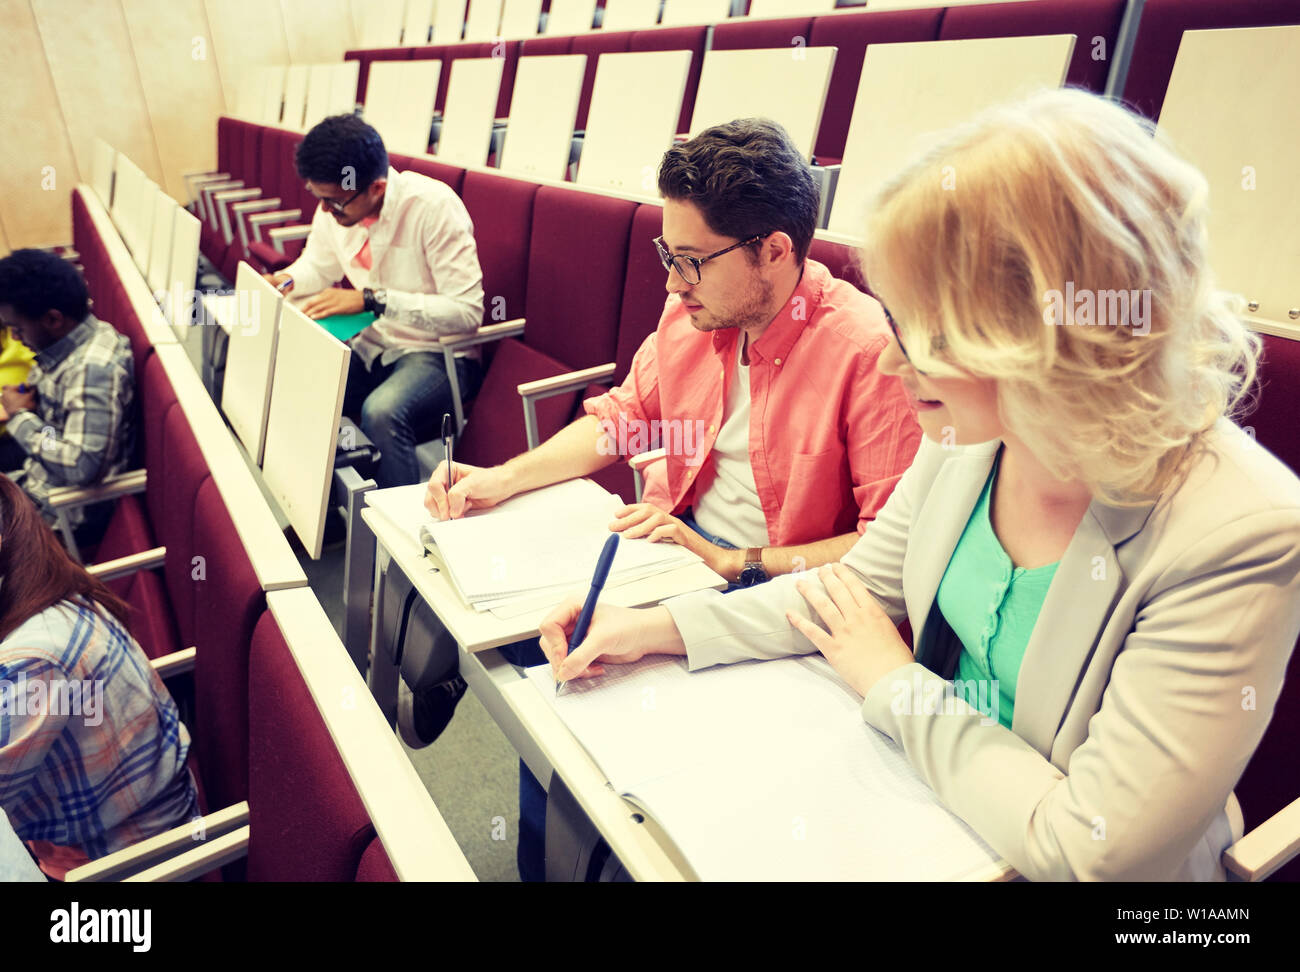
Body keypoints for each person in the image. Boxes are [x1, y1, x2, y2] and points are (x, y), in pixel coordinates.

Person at [538, 88, 1300, 881]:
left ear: (1045, 339)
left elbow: (1088, 851)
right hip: (930, 809)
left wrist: (896, 685)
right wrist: (653, 627)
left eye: (923, 334)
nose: (894, 363)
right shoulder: (976, 432)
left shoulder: (1243, 531)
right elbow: (848, 593)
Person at [422, 118, 922, 881]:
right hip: (674, 548)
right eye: (666, 256)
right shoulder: (694, 315)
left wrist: (735, 558)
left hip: (786, 593)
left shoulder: (863, 351)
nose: (669, 283)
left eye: (689, 262)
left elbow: (892, 548)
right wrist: (502, 477)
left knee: (650, 793)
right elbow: (622, 421)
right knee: (561, 687)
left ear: (775, 253)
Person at [267, 114, 485, 489]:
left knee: (382, 412)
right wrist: (287, 279)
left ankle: (399, 534)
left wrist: (374, 300)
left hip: (438, 354)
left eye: (334, 203)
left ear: (377, 188)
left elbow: (467, 313)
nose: (326, 212)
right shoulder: (338, 207)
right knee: (306, 382)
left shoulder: (433, 207)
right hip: (375, 343)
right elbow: (318, 265)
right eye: (319, 199)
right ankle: (329, 513)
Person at [0, 476, 198, 880]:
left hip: (120, 862)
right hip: (105, 837)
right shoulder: (42, 588)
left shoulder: (33, 657)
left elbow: (83, 465)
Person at [0, 249, 134, 548]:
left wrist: (20, 418)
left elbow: (81, 463)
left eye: (18, 329)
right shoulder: (68, 343)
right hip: (36, 487)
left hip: (59, 517)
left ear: (53, 319)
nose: (17, 338)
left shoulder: (92, 369)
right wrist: (29, 407)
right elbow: (55, 433)